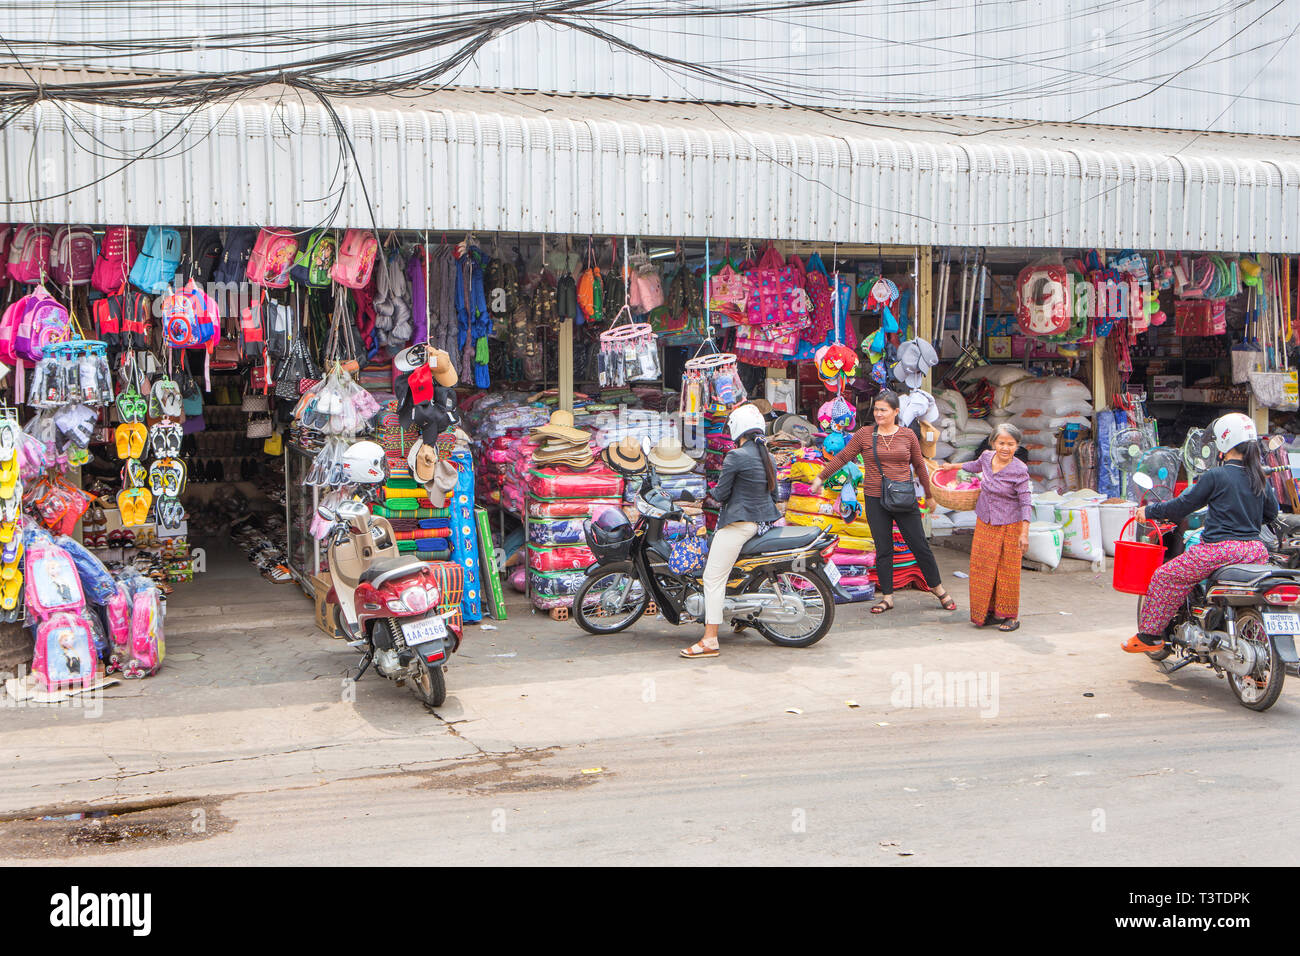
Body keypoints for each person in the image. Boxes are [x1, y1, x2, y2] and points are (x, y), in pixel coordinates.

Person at [1124, 412, 1278, 653]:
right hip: (1254, 551)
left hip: (1218, 551)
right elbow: (1271, 513)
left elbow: (1182, 506)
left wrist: (1150, 510)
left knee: (1164, 577)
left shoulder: (1216, 475)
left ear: (1224, 442)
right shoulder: (1259, 476)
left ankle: (1150, 636)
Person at [810, 389, 957, 614]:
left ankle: (938, 589)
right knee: (884, 549)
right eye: (876, 409)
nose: (878, 414)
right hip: (875, 498)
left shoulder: (907, 435)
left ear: (896, 411)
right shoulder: (864, 434)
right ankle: (887, 597)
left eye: (884, 410)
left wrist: (929, 495)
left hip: (904, 497)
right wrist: (821, 476)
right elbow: (842, 457)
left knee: (920, 546)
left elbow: (919, 465)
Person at [681, 403, 781, 659]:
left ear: (737, 429)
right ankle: (740, 618)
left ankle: (710, 638)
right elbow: (775, 495)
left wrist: (703, 498)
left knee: (713, 578)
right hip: (763, 524)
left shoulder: (736, 456)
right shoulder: (767, 456)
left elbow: (721, 494)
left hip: (740, 524)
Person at [967, 423, 1032, 631]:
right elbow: (975, 466)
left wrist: (1024, 533)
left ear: (1017, 446)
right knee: (982, 567)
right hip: (985, 520)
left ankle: (1010, 616)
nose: (1005, 448)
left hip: (1010, 525)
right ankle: (988, 612)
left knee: (1007, 570)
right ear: (993, 443)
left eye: (1011, 444)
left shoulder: (1019, 469)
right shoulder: (987, 457)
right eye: (1001, 443)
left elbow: (1026, 502)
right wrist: (951, 467)